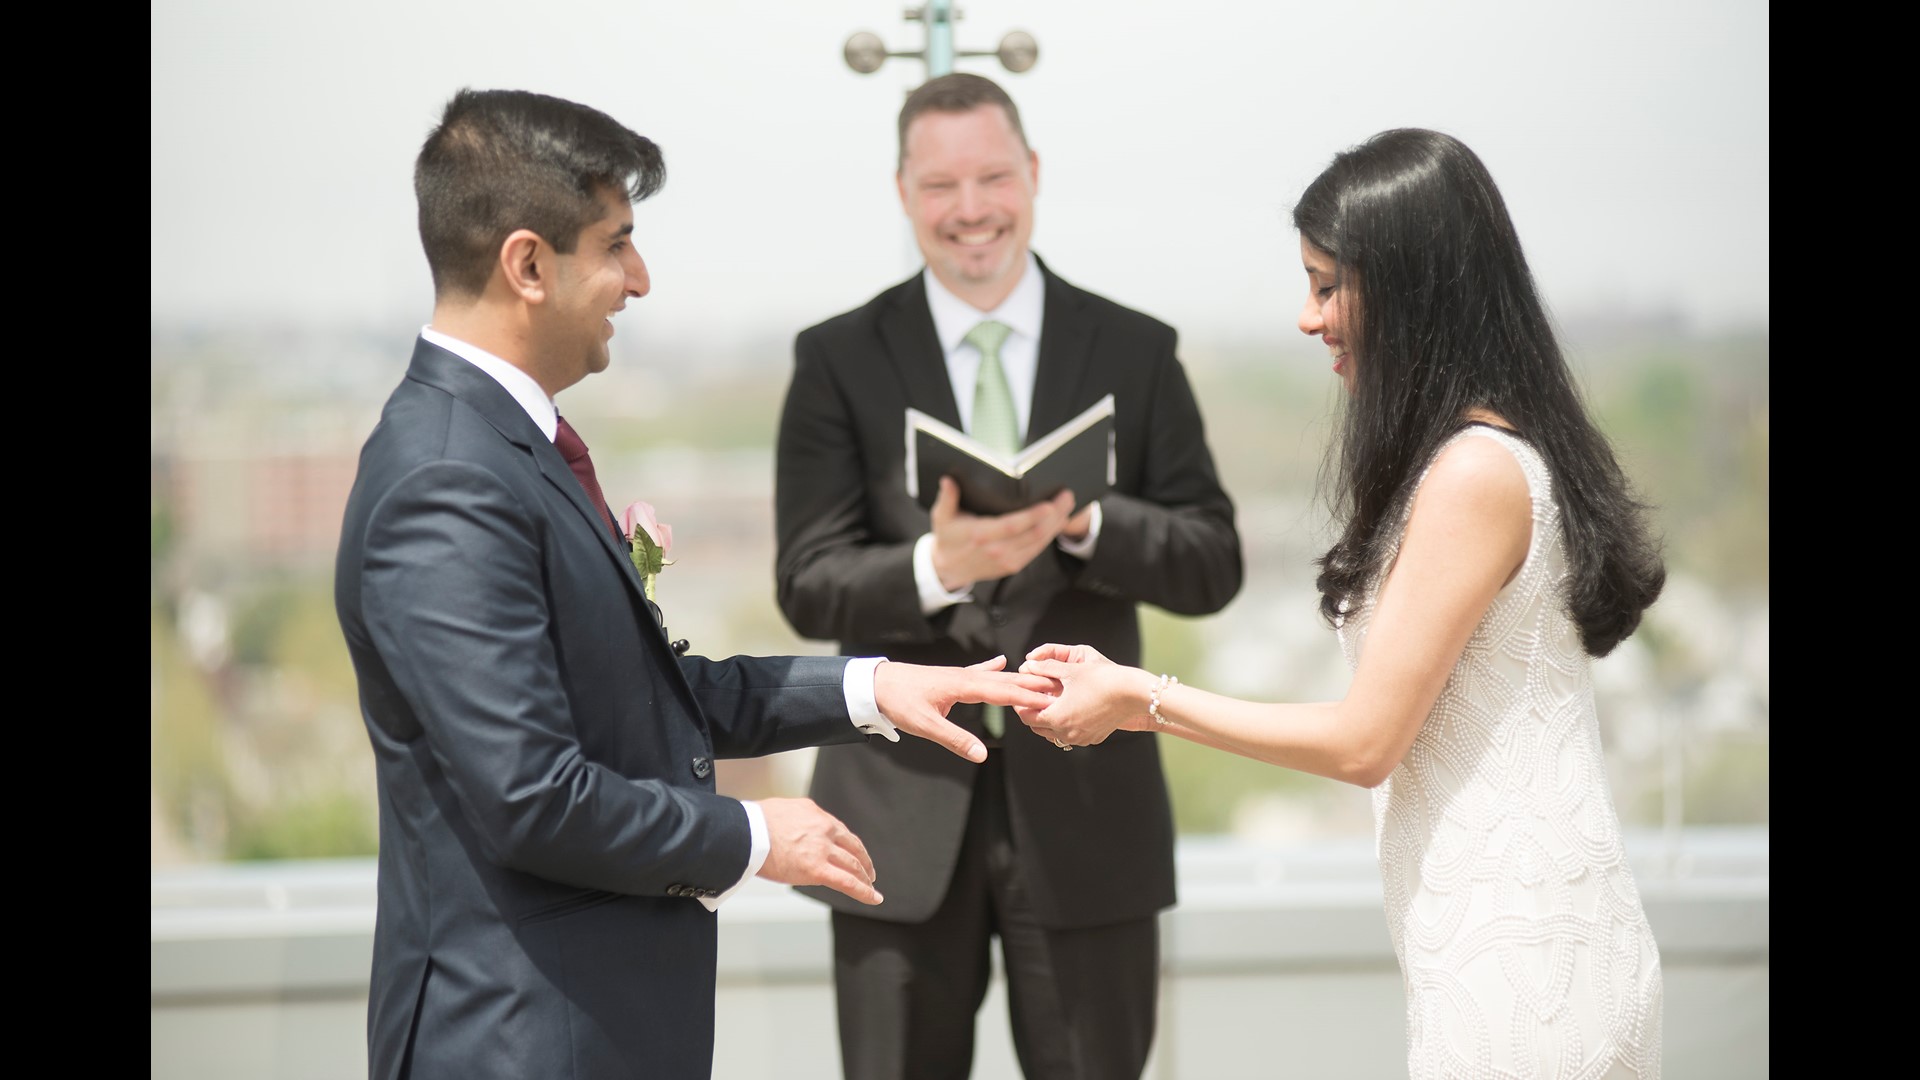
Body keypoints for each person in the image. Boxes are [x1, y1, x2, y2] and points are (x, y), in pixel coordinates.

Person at [333, 88, 1056, 1080]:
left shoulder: (510, 447)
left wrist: (873, 688)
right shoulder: (446, 479)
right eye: (617, 243)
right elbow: (532, 796)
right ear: (528, 265)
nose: (640, 278)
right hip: (518, 1039)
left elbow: (646, 699)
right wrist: (755, 835)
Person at [1018, 129, 1668, 1079]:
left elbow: (1365, 744)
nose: (1307, 317)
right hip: (1497, 943)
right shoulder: (1485, 455)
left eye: (1327, 285)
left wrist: (1136, 698)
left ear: (1413, 289)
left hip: (1524, 966)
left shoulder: (1475, 474)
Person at [773, 73, 1242, 1079]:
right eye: (941, 185)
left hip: (1090, 816)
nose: (972, 209)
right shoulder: (837, 359)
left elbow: (1213, 562)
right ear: (903, 191)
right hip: (893, 818)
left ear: (1033, 174)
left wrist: (1086, 525)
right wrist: (936, 566)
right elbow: (807, 583)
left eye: (993, 176)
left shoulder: (1135, 348)